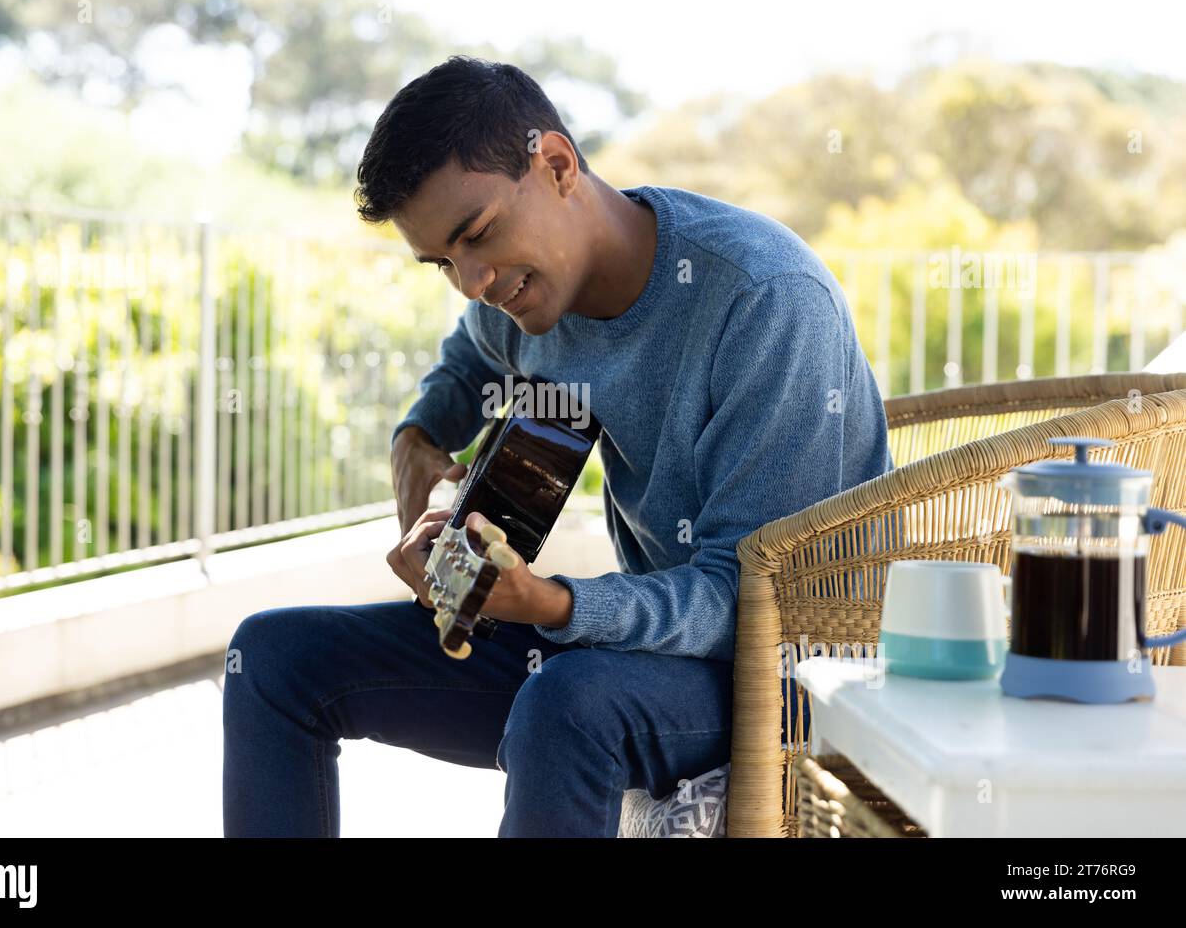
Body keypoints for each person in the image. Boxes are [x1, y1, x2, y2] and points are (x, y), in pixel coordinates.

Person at [222, 55, 893, 837]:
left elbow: (747, 600)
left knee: (567, 702)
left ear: (557, 165)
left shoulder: (765, 300)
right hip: (635, 656)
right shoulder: (514, 296)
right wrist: (418, 434)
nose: (473, 280)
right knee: (272, 658)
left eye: (477, 235)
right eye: (443, 262)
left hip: (784, 667)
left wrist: (560, 604)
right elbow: (466, 362)